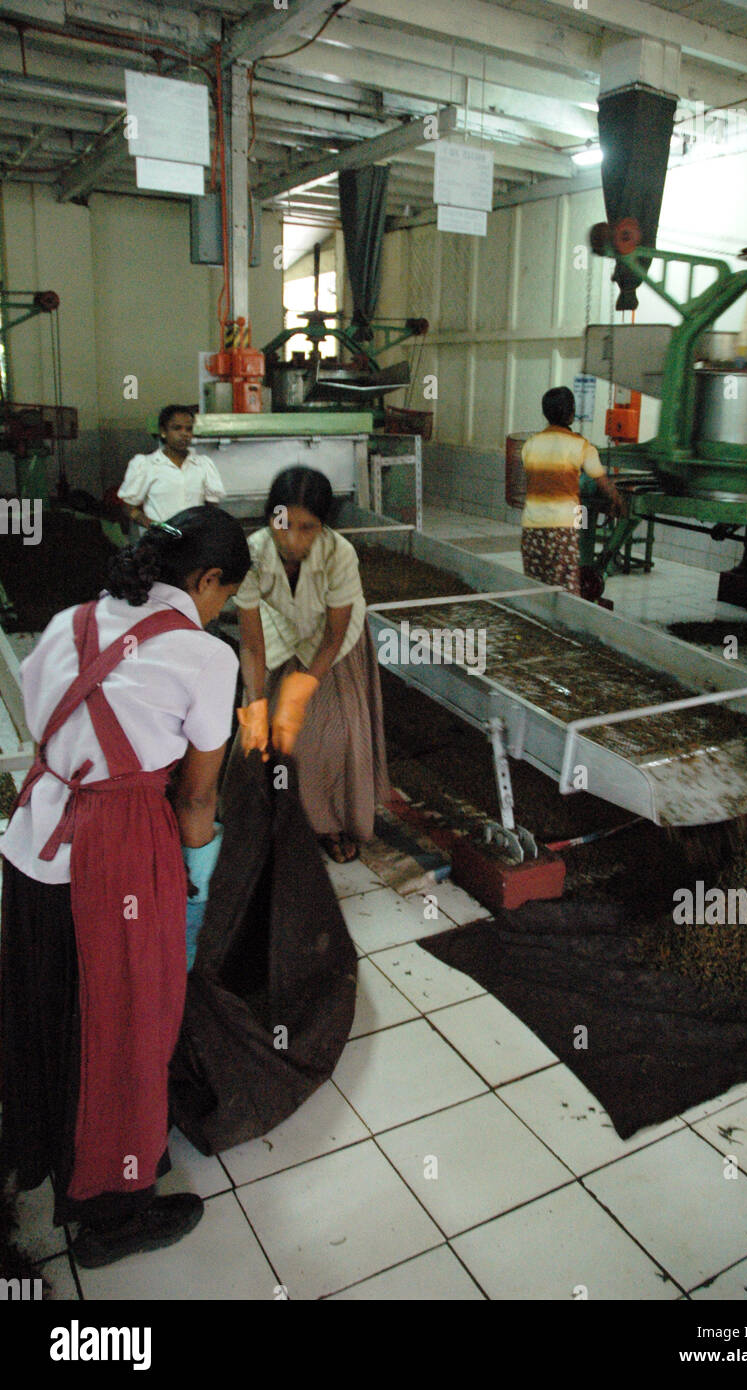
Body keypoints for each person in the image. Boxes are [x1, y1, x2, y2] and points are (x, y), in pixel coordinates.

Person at [0, 507, 250, 1268]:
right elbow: (197, 798)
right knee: (124, 1024)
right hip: (117, 854)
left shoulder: (68, 622)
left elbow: (47, 732)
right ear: (207, 581)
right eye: (224, 597)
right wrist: (198, 879)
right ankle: (111, 1216)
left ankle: (40, 1153)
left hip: (31, 845)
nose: (220, 613)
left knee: (47, 1007)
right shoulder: (206, 659)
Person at [231, 465, 389, 864]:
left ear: (323, 526)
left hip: (333, 646)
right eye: (282, 523)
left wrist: (299, 694)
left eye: (307, 527)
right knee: (258, 741)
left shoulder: (339, 554)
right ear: (270, 516)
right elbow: (250, 644)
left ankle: (331, 823)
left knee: (333, 737)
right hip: (279, 636)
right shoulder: (250, 553)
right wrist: (256, 703)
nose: (292, 539)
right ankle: (268, 824)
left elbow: (334, 636)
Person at [521, 385, 625, 597]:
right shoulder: (581, 445)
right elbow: (603, 483)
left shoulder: (530, 444)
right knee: (566, 592)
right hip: (563, 529)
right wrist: (619, 504)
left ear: (545, 413)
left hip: (532, 527)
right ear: (572, 413)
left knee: (535, 589)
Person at [118, 404, 226, 529]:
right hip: (161, 543)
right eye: (177, 428)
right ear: (163, 432)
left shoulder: (203, 465)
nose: (184, 434)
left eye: (189, 429)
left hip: (194, 540)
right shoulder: (146, 465)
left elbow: (212, 507)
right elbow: (128, 507)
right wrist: (157, 527)